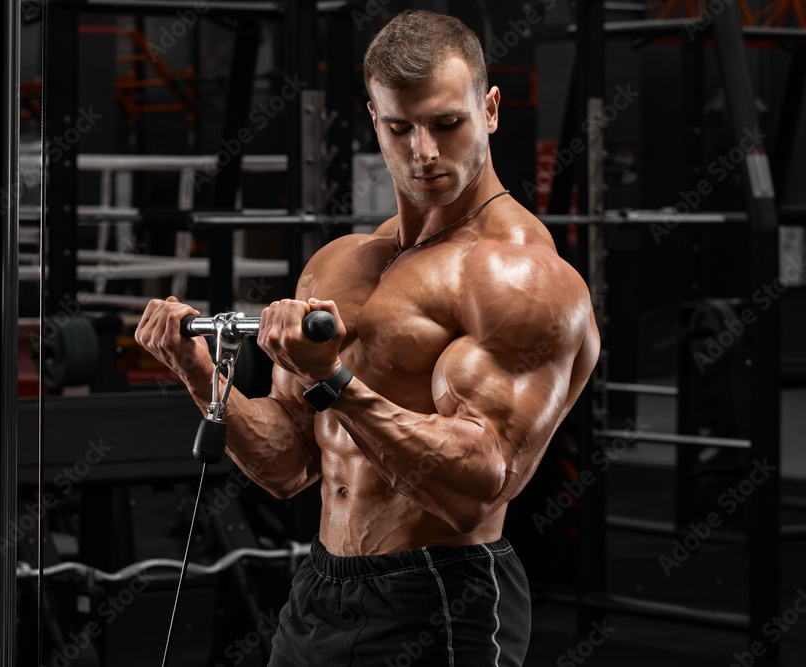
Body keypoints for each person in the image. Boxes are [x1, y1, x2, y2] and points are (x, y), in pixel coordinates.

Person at [136, 9, 600, 667]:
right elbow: (288, 464)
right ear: (373, 119)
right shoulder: (340, 263)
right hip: (322, 588)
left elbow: (477, 488)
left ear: (490, 109)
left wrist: (333, 381)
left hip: (440, 593)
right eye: (399, 127)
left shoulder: (515, 274)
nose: (424, 153)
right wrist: (196, 367)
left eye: (447, 124)